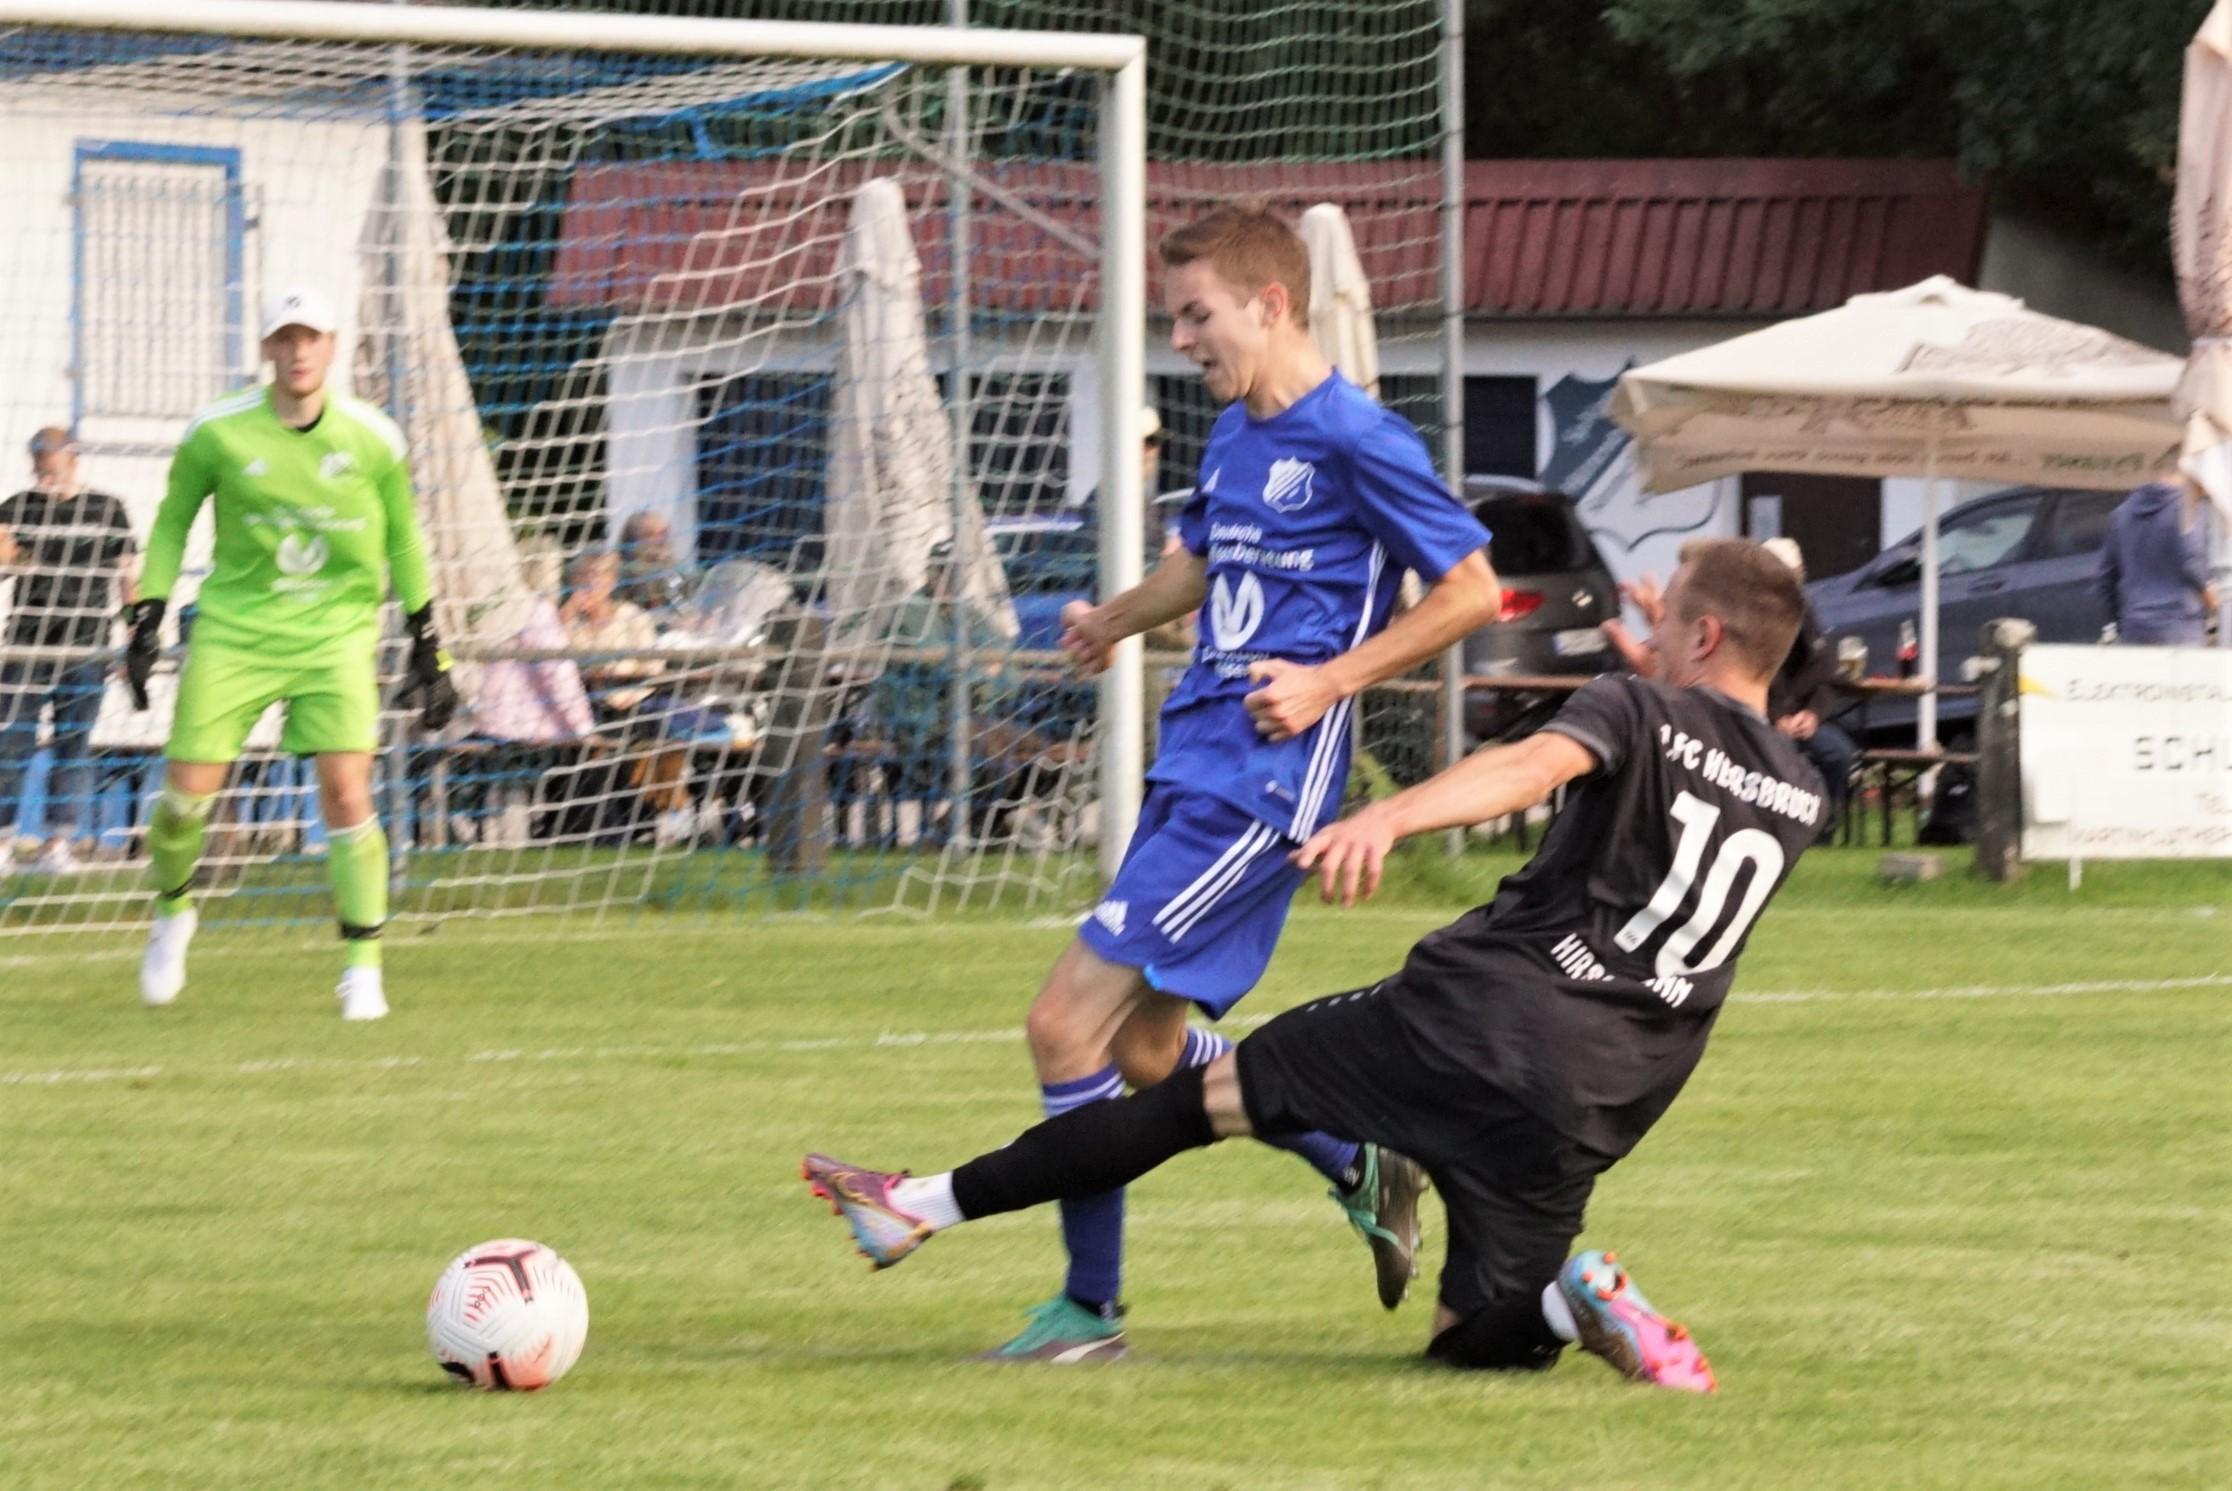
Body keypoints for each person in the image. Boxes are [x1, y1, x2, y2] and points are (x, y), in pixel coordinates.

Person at [806, 539, 1825, 1393]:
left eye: (1667, 619)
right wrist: (1665, 682)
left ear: (1703, 636)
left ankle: (918, 1206)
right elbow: (1704, 771)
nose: (1650, 633)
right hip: (1606, 1092)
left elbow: (1529, 767)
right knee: (1474, 1342)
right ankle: (1571, 1305)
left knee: (1188, 1102)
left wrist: (1389, 815)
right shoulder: (1801, 790)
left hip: (1480, 1018)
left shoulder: (1635, 708)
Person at [940, 199, 1501, 1363]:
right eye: (1176, 318)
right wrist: (1111, 621)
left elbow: (1472, 592)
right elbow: (1201, 564)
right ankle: (1360, 1160)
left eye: (1198, 315)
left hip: (1263, 784)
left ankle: (1089, 1313)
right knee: (1146, 1053)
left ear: (1270, 303)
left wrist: (1329, 682)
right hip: (1190, 763)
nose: (1183, 338)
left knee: (1063, 1025)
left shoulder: (1360, 438)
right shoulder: (1238, 433)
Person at [128, 287, 457, 1021]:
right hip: (235, 630)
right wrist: (147, 614)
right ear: (268, 349)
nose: (299, 351)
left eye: (311, 338)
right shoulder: (218, 430)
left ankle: (362, 969)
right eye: (286, 338)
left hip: (335, 634)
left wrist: (428, 640)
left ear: (331, 347)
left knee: (347, 792)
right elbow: (172, 521)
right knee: (184, 802)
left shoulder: (373, 437)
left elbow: (404, 537)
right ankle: (173, 910)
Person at [0, 427, 137, 872]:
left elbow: (127, 576)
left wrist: (135, 634)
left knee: (73, 743)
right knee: (11, 740)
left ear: (73, 460)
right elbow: (3, 559)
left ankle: (57, 842)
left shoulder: (107, 509)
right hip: (27, 644)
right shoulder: (18, 507)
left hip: (87, 645)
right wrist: (15, 555)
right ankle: (3, 840)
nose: (45, 478)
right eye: (39, 470)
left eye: (52, 469)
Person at [2098, 478, 2218, 646]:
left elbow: (2106, 578)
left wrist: (2121, 621)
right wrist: (2213, 600)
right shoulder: (2191, 508)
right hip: (2182, 626)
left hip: (2135, 626)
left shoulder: (2121, 513)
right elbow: (2192, 559)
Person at [615, 509, 693, 617]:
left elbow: (684, 604)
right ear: (638, 539)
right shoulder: (623, 573)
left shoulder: (672, 566)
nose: (664, 539)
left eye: (665, 532)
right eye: (653, 534)